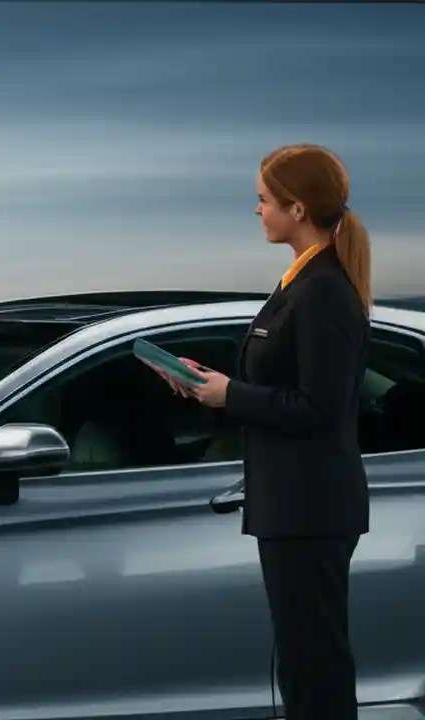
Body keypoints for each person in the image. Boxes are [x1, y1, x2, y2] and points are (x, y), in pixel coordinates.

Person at [157, 144, 370, 719]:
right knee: (302, 662)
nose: (257, 211)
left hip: (310, 509)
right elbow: (281, 388)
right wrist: (214, 388)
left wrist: (233, 393)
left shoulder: (322, 291)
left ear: (297, 209)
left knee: (314, 666)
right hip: (292, 507)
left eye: (263, 199)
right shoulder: (299, 283)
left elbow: (318, 409)